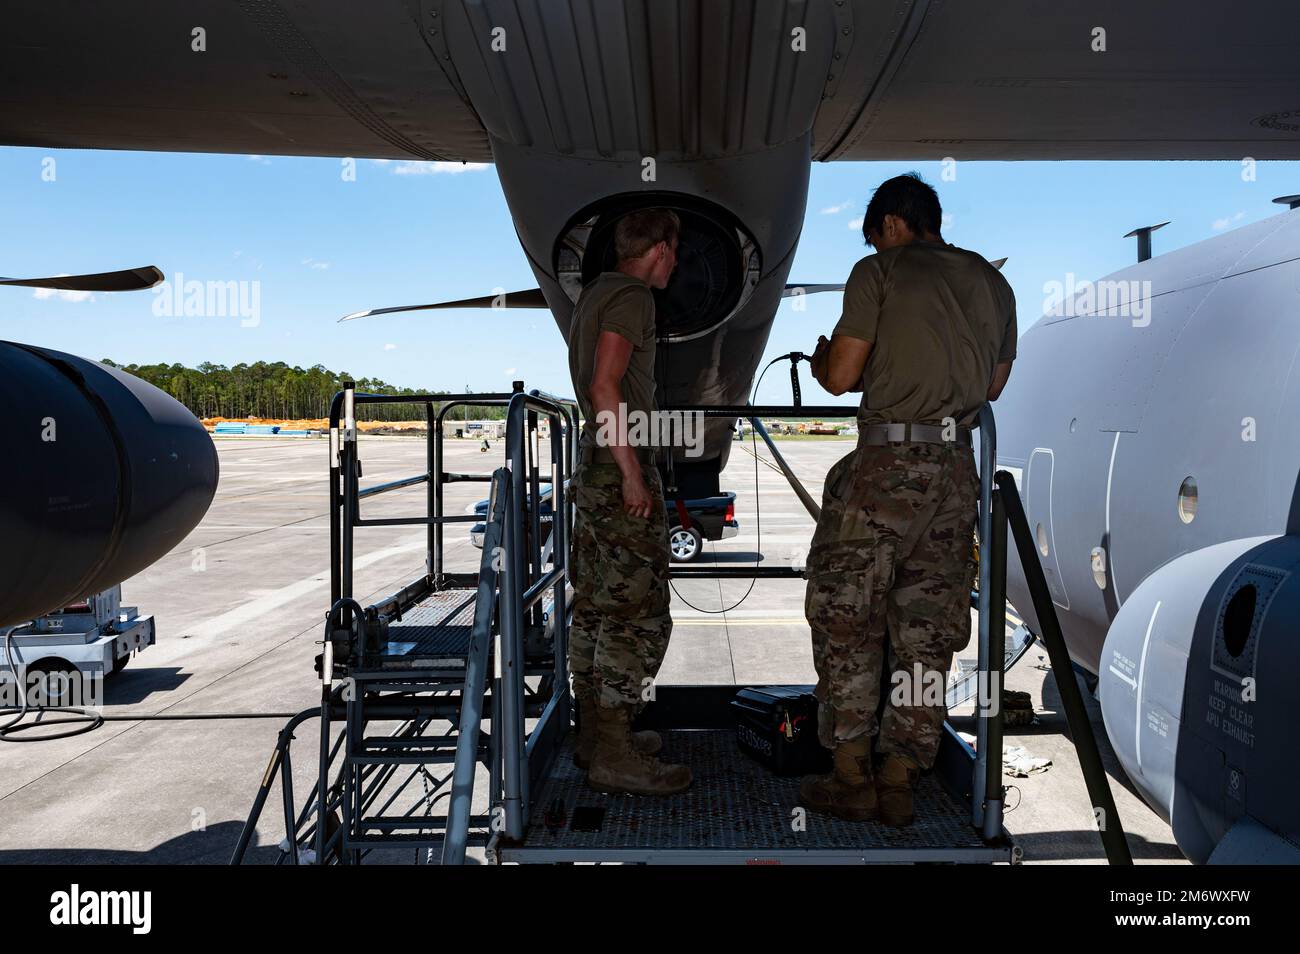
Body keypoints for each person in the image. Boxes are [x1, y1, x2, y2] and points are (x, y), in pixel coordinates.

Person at [800, 173, 1016, 826]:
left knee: (847, 619)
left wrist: (824, 364)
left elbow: (840, 377)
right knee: (926, 633)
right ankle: (900, 776)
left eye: (876, 235)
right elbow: (996, 383)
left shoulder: (879, 271)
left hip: (887, 468)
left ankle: (850, 773)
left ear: (892, 225)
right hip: (955, 471)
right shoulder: (990, 280)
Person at [566, 208, 692, 796]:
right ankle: (615, 751)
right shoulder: (632, 297)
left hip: (594, 470)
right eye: (675, 251)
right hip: (617, 470)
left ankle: (595, 735)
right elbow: (604, 386)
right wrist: (632, 473)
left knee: (593, 605)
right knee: (637, 614)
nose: (676, 263)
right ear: (660, 249)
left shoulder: (595, 294)